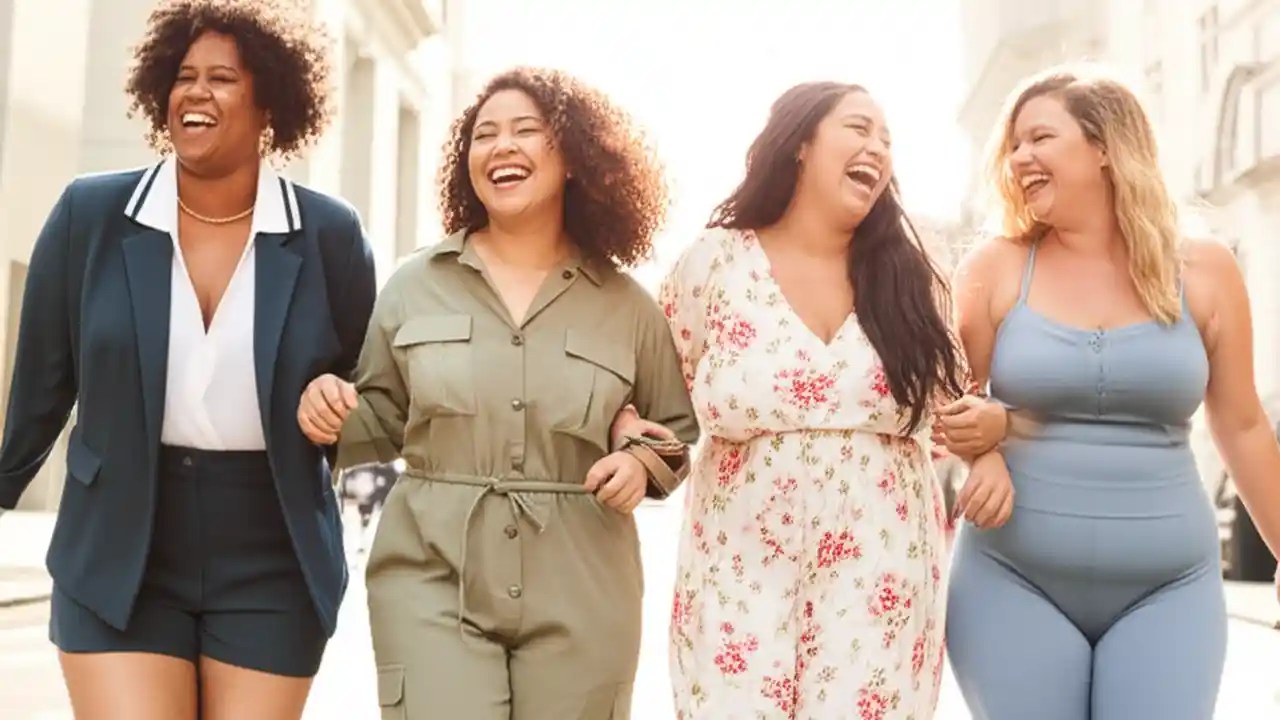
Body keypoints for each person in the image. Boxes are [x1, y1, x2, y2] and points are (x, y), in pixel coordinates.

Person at [0, 1, 376, 718]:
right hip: (117, 541)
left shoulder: (329, 233)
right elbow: (41, 385)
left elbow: (366, 383)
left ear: (271, 101)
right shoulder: (91, 216)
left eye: (223, 79)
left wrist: (338, 396)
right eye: (183, 76)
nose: (195, 93)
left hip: (271, 550)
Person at [297, 67, 699, 719]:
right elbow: (376, 418)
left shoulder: (627, 306)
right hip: (431, 575)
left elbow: (674, 435)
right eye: (484, 134)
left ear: (572, 155)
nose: (500, 146)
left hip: (584, 586)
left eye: (525, 131)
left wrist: (637, 461)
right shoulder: (414, 285)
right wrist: (325, 406)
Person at [638, 81, 1011, 719]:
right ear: (802, 143)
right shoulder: (714, 264)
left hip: (881, 576)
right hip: (738, 574)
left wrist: (994, 439)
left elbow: (963, 406)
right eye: (860, 128)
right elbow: (649, 396)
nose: (877, 148)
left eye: (888, 140)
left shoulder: (911, 280)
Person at [941, 66, 1280, 719]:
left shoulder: (1206, 271)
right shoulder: (994, 268)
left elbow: (1241, 427)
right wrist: (981, 455)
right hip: (1013, 583)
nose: (1019, 158)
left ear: (1103, 148)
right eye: (1012, 144)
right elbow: (950, 397)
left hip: (1169, 587)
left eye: (1040, 137)